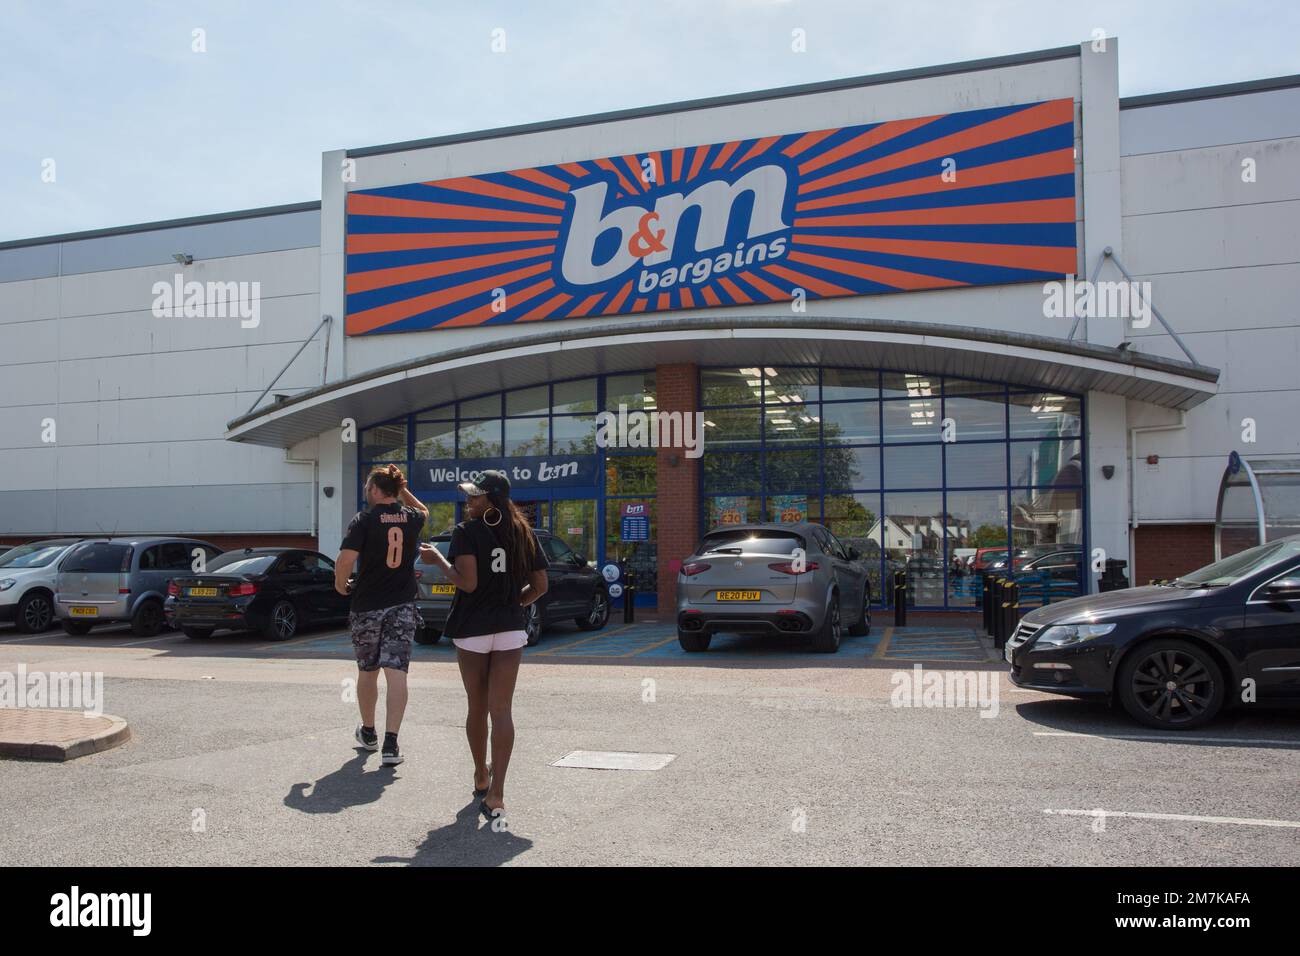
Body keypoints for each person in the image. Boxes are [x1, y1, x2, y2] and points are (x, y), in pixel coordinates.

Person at [419, 469, 547, 823]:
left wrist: (438, 560)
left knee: (477, 707)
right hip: (509, 628)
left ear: (491, 499)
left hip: (473, 628)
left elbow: (468, 583)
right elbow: (540, 585)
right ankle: (497, 795)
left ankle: (480, 774)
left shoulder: (466, 531)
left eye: (474, 495)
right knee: (501, 710)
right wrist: (515, 604)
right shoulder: (522, 532)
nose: (468, 500)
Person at [335, 464, 428, 767]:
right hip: (402, 604)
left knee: (368, 671)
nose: (366, 491)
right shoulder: (411, 518)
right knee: (397, 673)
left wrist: (340, 585)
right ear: (394, 490)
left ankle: (369, 732)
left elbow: (346, 559)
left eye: (368, 486)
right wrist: (402, 490)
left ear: (375, 490)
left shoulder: (364, 520)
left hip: (367, 605)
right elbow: (424, 510)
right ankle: (391, 744)